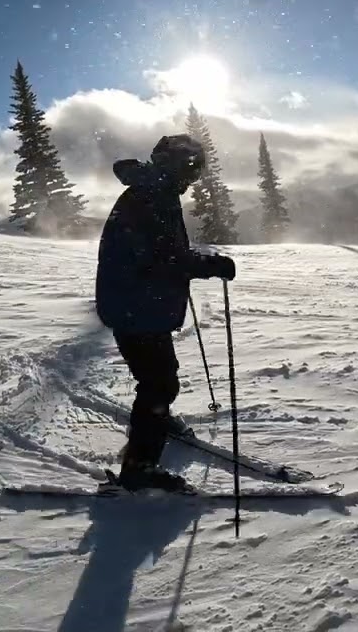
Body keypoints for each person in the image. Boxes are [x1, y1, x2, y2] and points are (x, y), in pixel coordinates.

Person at [94, 134, 237, 492]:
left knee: (160, 376)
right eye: (192, 169)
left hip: (138, 303)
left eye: (198, 170)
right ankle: (139, 469)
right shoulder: (152, 196)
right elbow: (161, 258)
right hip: (135, 305)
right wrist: (207, 264)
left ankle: (157, 420)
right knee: (159, 383)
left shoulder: (155, 192)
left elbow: (162, 252)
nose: (193, 178)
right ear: (175, 165)